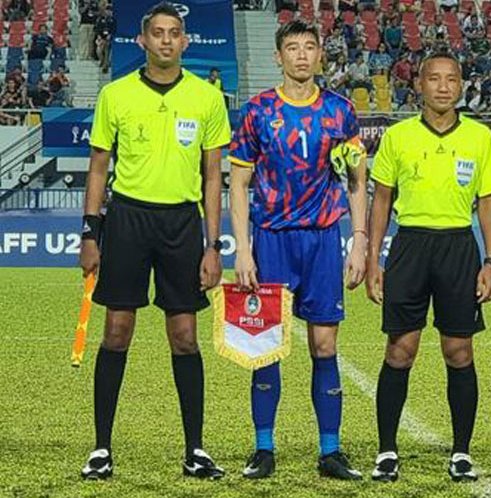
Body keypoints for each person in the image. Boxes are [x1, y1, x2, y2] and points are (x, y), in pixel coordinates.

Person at [78, 2, 230, 480]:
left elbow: (212, 176)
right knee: (116, 332)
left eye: (174, 33)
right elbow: (99, 167)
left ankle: (196, 451)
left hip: (182, 225)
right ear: (141, 41)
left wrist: (212, 245)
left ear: (186, 42)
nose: (166, 40)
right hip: (126, 220)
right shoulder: (116, 94)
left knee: (184, 338)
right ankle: (102, 449)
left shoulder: (207, 98)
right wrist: (90, 231)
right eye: (157, 33)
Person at [228, 20, 367, 481]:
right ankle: (263, 447)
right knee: (266, 348)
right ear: (279, 56)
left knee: (324, 345)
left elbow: (356, 181)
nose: (302, 55)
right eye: (293, 47)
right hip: (270, 241)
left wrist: (359, 241)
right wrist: (243, 250)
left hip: (323, 239)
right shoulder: (257, 111)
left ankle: (330, 451)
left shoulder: (341, 111)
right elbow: (240, 183)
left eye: (310, 47)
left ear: (320, 54)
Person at [365, 51, 491, 483]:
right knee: (399, 350)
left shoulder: (479, 138)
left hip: (459, 248)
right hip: (410, 248)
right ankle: (387, 450)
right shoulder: (398, 137)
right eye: (434, 79)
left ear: (461, 86)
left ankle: (461, 452)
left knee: (459, 351)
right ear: (419, 85)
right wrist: (374, 259)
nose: (443, 87)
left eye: (451, 79)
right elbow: (382, 200)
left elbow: (487, 203)